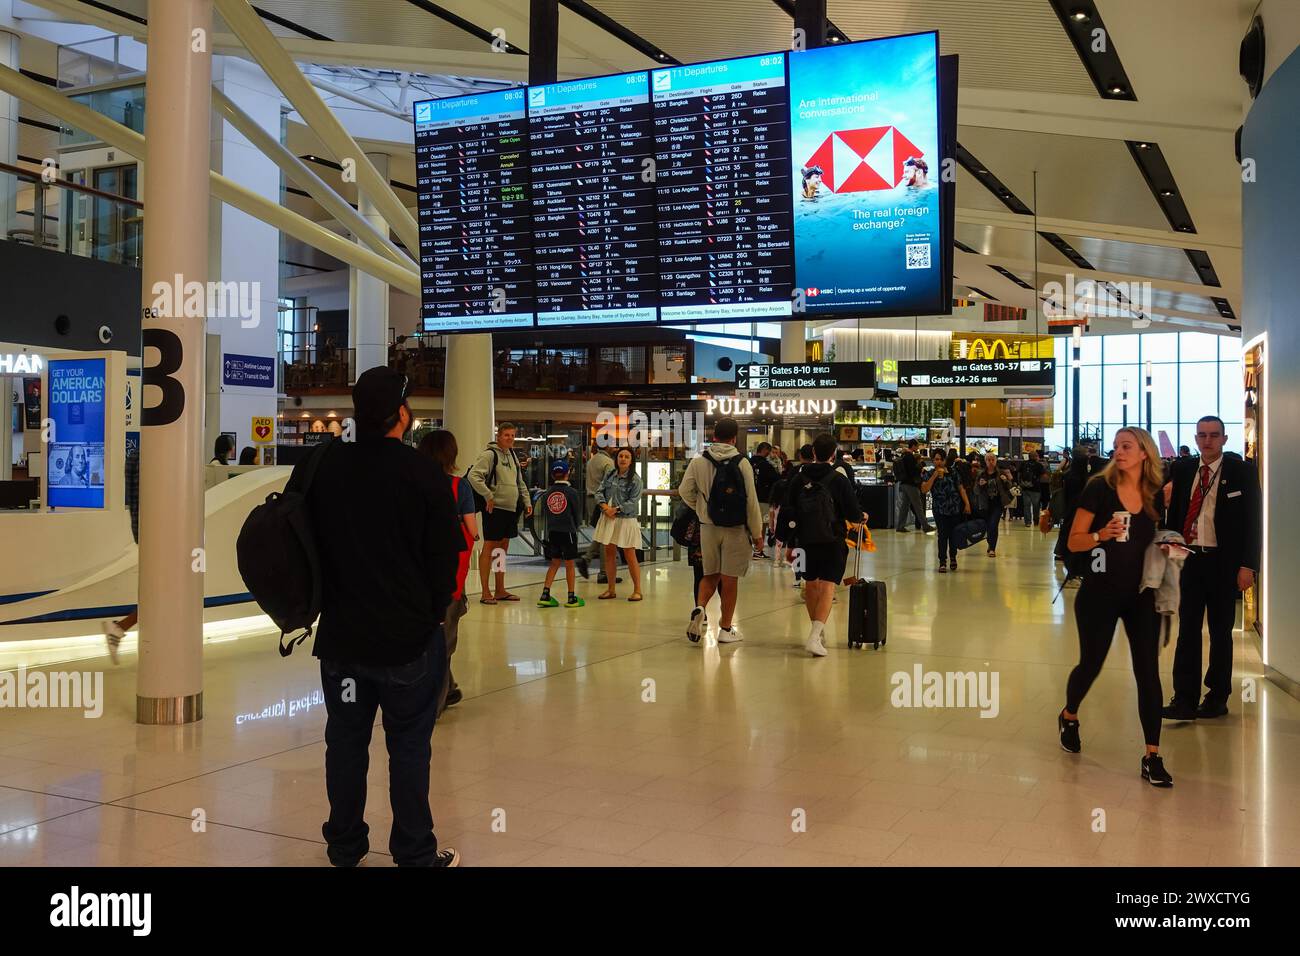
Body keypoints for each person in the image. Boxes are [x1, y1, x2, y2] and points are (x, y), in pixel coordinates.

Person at [291, 366, 464, 866]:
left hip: (342, 640)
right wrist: (432, 615)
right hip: (407, 642)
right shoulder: (424, 473)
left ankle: (344, 845)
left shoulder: (326, 466)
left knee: (345, 743)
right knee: (408, 746)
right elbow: (444, 558)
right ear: (403, 415)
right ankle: (413, 851)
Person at [1058, 427, 1173, 789]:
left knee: (1147, 672)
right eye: (1117, 446)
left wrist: (1170, 548)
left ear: (1144, 453)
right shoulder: (1098, 489)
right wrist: (1100, 535)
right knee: (1090, 664)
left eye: (1127, 446)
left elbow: (1157, 539)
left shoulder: (1154, 493)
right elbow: (1072, 543)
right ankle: (1069, 714)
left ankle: (1152, 755)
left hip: (1141, 594)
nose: (1118, 451)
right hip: (1099, 592)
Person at [1161, 416, 1261, 721]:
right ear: (1196, 438)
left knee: (1220, 633)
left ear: (1225, 439)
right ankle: (1184, 699)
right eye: (1202, 435)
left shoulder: (1241, 472)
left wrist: (1249, 565)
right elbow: (1176, 516)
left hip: (1224, 564)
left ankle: (1217, 697)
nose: (1208, 441)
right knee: (1187, 631)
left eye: (1214, 435)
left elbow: (1253, 522)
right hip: (1190, 561)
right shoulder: (1183, 469)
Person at [679, 417, 764, 643]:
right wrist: (757, 534)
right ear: (734, 437)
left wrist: (701, 508)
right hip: (735, 528)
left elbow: (684, 490)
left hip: (708, 527)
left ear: (713, 435)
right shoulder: (742, 462)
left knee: (710, 574)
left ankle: (700, 607)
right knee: (730, 580)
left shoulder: (699, 461)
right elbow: (751, 502)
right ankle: (725, 629)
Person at [780, 432, 864, 657]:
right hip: (832, 540)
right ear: (834, 454)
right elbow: (853, 513)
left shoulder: (798, 478)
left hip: (803, 541)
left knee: (810, 585)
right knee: (827, 586)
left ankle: (817, 631)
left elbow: (787, 511)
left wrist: (788, 543)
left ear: (813, 453)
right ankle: (815, 635)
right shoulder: (839, 479)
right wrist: (862, 516)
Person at [417, 429, 479, 713]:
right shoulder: (459, 486)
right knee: (446, 636)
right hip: (449, 572)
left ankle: (448, 688)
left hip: (416, 571)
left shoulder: (412, 483)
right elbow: (472, 529)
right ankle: (437, 700)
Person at [468, 422, 532, 605]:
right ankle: (485, 591)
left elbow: (520, 482)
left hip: (510, 509)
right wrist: (488, 496)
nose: (510, 438)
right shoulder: (490, 455)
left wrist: (527, 501)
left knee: (502, 548)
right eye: (507, 435)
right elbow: (474, 476)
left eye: (512, 435)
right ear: (499, 436)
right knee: (489, 546)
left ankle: (500, 589)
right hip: (495, 509)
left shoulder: (512, 455)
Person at [102, 444, 139, 663]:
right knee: (164, 593)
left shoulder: (134, 457)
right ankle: (118, 627)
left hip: (144, 534)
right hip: (159, 538)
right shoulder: (156, 460)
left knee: (159, 593)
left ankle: (120, 628)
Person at [593, 447, 644, 601]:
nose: (623, 459)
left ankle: (637, 590)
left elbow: (633, 502)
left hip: (626, 519)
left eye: (626, 457)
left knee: (630, 554)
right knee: (609, 553)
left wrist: (615, 510)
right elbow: (599, 492)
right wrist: (604, 507)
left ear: (631, 460)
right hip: (609, 517)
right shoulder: (610, 474)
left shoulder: (635, 479)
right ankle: (611, 589)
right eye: (621, 456)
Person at [537, 460, 586, 609]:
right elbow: (577, 514)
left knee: (554, 563)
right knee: (570, 563)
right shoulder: (572, 493)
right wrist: (576, 527)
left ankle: (545, 594)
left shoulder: (547, 494)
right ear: (568, 474)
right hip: (568, 532)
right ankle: (571, 597)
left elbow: (546, 513)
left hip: (553, 532)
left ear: (552, 475)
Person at [921, 447, 971, 572]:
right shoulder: (929, 473)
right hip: (939, 509)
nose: (937, 462)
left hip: (954, 508)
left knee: (953, 534)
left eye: (940, 460)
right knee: (942, 535)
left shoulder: (953, 473)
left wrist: (967, 504)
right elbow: (924, 489)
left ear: (944, 460)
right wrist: (933, 476)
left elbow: (961, 489)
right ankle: (942, 561)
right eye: (935, 460)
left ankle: (953, 557)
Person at [584, 443, 616, 583]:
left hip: (590, 499)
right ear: (607, 446)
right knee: (605, 537)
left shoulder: (592, 460)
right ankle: (604, 572)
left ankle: (586, 559)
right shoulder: (608, 462)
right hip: (602, 502)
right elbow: (609, 484)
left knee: (601, 533)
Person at [973, 453, 1012, 556]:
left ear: (996, 461)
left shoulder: (1001, 473)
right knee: (988, 526)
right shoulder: (981, 474)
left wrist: (1005, 481)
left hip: (997, 503)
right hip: (985, 503)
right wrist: (980, 485)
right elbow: (976, 491)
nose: (990, 462)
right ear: (985, 461)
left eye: (992, 460)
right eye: (988, 460)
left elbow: (1009, 486)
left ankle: (992, 548)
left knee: (993, 525)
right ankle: (990, 544)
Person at [748, 441, 781, 558]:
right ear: (765, 450)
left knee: (753, 524)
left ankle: (755, 549)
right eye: (769, 451)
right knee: (761, 524)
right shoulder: (766, 465)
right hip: (763, 498)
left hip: (749, 498)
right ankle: (758, 551)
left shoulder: (747, 463)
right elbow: (776, 479)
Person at [893, 439, 933, 533]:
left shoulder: (904, 455)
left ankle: (900, 526)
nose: (918, 448)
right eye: (917, 446)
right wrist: (920, 469)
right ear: (913, 446)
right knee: (918, 506)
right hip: (911, 484)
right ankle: (925, 526)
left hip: (904, 484)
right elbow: (912, 471)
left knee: (905, 506)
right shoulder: (910, 456)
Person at [1019, 450, 1045, 527]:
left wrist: (1021, 483)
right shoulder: (1039, 465)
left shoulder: (1023, 463)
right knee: (1036, 506)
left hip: (1025, 488)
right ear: (1034, 456)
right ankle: (1036, 521)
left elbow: (1019, 473)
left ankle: (1028, 522)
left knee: (1026, 506)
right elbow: (1043, 476)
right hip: (1035, 489)